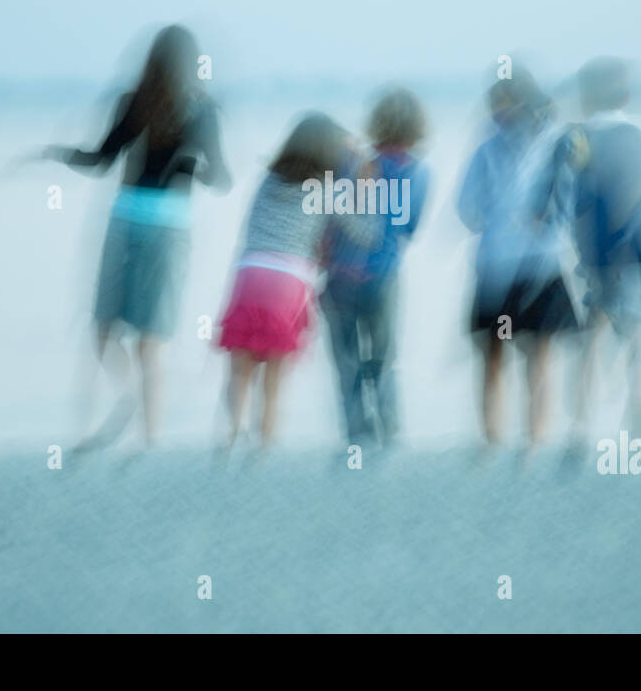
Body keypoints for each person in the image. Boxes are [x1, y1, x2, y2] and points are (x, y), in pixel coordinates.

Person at [43, 24, 230, 451]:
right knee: (152, 339)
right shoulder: (201, 110)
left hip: (125, 220)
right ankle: (150, 438)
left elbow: (98, 161)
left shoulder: (135, 102)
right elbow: (220, 177)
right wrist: (190, 167)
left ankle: (130, 406)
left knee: (104, 331)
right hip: (169, 228)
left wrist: (57, 152)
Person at [216, 113, 353, 449]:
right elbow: (353, 229)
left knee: (240, 368)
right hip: (289, 282)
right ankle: (266, 443)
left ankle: (231, 436)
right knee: (275, 375)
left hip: (250, 272)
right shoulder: (325, 189)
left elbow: (251, 226)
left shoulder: (268, 180)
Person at [555, 57, 641, 452]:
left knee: (591, 337)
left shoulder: (578, 139)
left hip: (599, 257)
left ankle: (580, 427)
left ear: (585, 97)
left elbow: (569, 199)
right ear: (627, 95)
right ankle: (639, 422)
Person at [457, 72, 578, 450]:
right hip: (538, 264)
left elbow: (467, 210)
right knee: (534, 357)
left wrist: (497, 221)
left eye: (501, 104)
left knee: (497, 356)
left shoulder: (488, 147)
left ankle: (497, 440)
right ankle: (532, 441)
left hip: (502, 267)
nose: (498, 113)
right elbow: (571, 203)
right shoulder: (558, 140)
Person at [319, 86, 430, 448]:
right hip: (384, 276)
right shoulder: (419, 172)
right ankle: (390, 431)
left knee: (346, 362)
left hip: (340, 275)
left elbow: (328, 213)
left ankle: (355, 434)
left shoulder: (351, 161)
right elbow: (408, 227)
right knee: (383, 359)